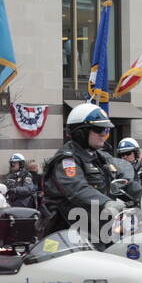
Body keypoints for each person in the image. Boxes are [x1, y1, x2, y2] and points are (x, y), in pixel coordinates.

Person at [40, 102, 121, 240]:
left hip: (95, 229)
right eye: (99, 130)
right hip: (64, 233)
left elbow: (120, 179)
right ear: (81, 132)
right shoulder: (66, 160)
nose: (104, 135)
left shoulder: (100, 158)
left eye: (106, 130)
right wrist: (106, 203)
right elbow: (76, 188)